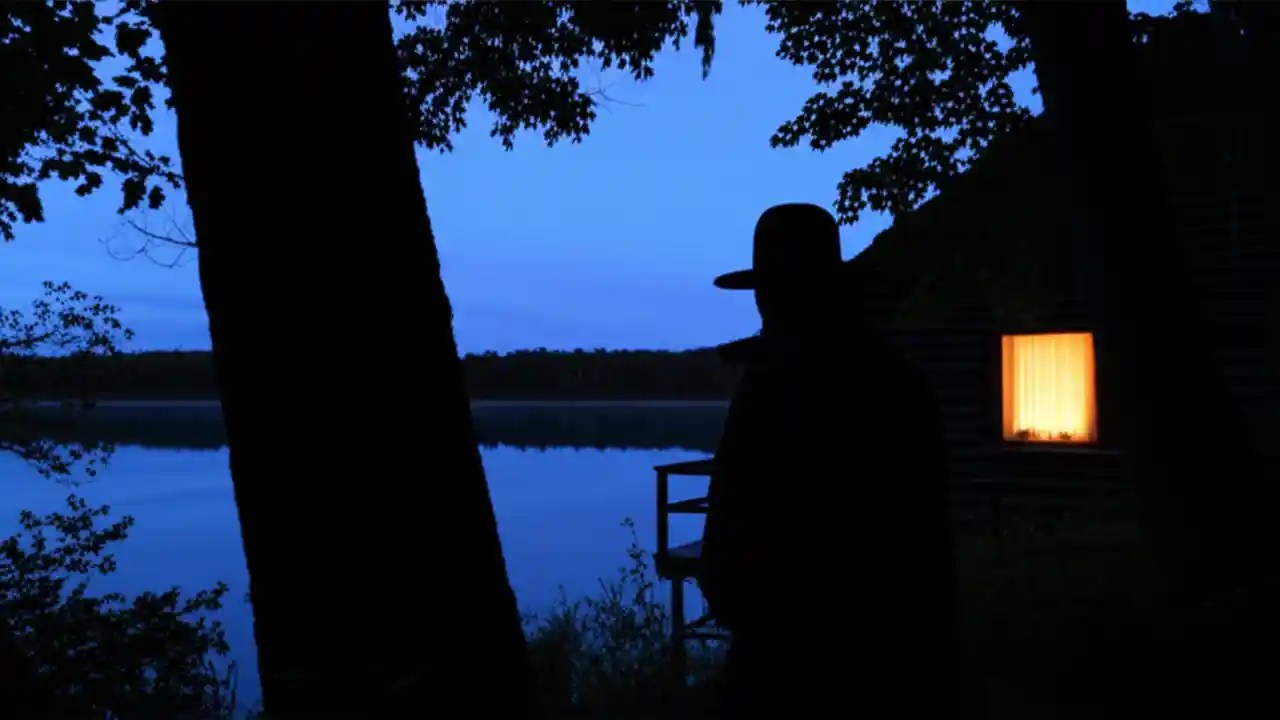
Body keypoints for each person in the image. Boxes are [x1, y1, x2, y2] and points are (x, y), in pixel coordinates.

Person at [699, 203, 958, 717]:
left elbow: (732, 529)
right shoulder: (897, 381)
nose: (765, 301)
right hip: (895, 662)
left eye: (771, 286)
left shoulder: (772, 391)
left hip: (793, 668)